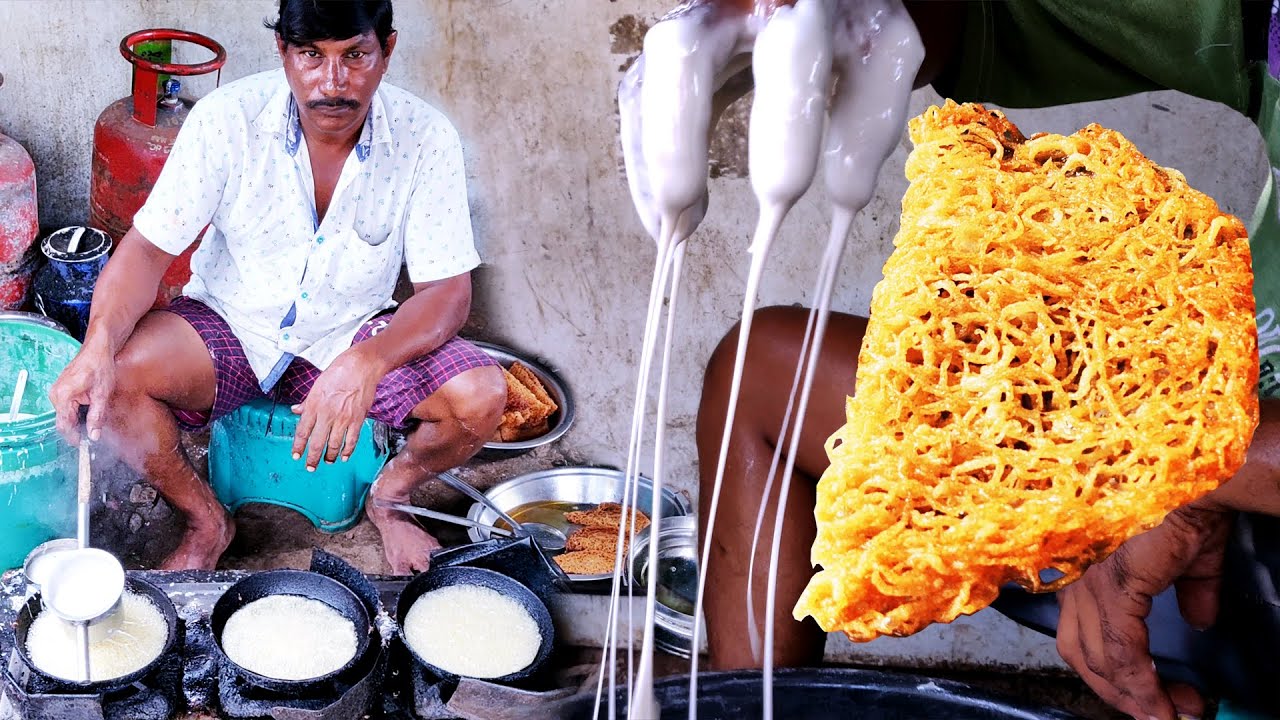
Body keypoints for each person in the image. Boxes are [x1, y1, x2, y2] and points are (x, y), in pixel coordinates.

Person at [680, 1, 1280, 718]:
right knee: (764, 372)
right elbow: (978, 15)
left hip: (1218, 471)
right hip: (1215, 427)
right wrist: (841, 13)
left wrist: (1153, 465)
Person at [48, 0, 506, 574]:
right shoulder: (227, 119)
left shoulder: (425, 138)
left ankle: (390, 500)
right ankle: (207, 521)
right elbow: (144, 251)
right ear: (283, 53)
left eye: (355, 55)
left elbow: (448, 293)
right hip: (230, 324)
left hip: (353, 328)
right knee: (112, 383)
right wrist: (96, 343)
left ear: (386, 50)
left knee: (482, 396)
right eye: (312, 56)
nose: (332, 83)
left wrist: (366, 361)